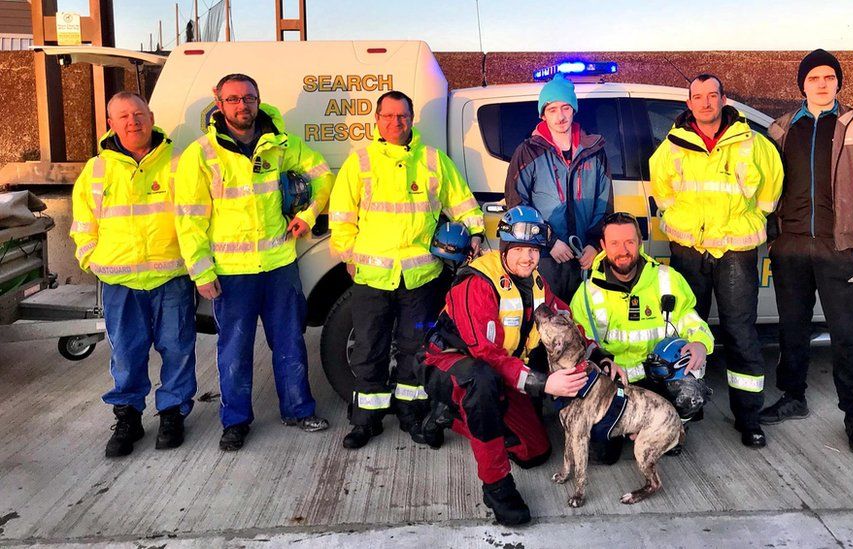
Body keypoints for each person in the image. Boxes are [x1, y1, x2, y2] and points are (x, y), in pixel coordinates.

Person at [422, 206, 625, 526]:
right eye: (519, 250)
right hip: (451, 366)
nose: (527, 258)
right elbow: (485, 354)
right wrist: (543, 384)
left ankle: (454, 418)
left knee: (535, 453)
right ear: (504, 247)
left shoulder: (536, 281)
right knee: (482, 381)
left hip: (506, 369)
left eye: (533, 251)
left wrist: (598, 356)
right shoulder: (476, 283)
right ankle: (496, 485)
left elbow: (565, 322)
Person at [174, 73, 334, 451]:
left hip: (279, 265)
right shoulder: (201, 154)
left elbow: (323, 176)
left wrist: (308, 215)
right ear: (218, 101)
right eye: (232, 99)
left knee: (290, 343)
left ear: (258, 100)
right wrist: (201, 271)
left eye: (248, 98)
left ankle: (297, 409)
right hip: (232, 274)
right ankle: (235, 422)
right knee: (234, 350)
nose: (241, 105)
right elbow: (189, 218)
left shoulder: (280, 145)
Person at [329, 90, 486, 449]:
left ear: (412, 119)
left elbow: (461, 201)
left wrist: (474, 231)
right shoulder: (362, 161)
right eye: (387, 116)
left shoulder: (433, 160)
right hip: (372, 277)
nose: (394, 123)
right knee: (369, 348)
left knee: (416, 349)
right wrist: (349, 257)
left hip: (420, 276)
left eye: (401, 116)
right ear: (377, 121)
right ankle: (365, 421)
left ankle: (411, 416)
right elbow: (342, 215)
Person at [760, 49, 853, 456]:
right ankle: (793, 396)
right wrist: (773, 240)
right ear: (801, 84)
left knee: (848, 335)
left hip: (841, 250)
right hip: (792, 248)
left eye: (829, 77)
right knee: (792, 329)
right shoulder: (780, 130)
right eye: (813, 77)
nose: (821, 83)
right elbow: (763, 190)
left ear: (838, 82)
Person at [649, 74, 783, 448]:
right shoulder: (671, 147)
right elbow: (662, 194)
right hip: (689, 251)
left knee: (741, 334)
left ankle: (749, 419)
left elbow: (769, 195)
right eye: (698, 97)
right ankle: (681, 418)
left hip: (736, 253)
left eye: (712, 96)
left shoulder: (754, 144)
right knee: (683, 334)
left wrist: (748, 224)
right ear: (688, 103)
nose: (705, 103)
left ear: (724, 99)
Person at [70, 91, 196, 458]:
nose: (133, 121)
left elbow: (194, 215)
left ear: (152, 116)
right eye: (123, 116)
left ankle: (173, 412)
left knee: (177, 348)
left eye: (138, 114)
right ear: (110, 123)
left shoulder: (177, 163)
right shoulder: (96, 169)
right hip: (119, 281)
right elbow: (82, 224)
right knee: (126, 352)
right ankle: (128, 417)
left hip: (170, 276)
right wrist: (90, 259)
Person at [569, 212, 714, 461]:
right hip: (615, 385)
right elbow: (580, 348)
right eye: (614, 243)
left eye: (629, 242)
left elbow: (690, 319)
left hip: (656, 378)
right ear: (603, 246)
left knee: (691, 390)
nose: (622, 250)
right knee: (604, 457)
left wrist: (700, 342)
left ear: (640, 242)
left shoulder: (667, 279)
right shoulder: (587, 293)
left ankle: (669, 431)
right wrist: (602, 363)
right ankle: (633, 426)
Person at [504, 73, 614, 303]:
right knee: (547, 321)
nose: (560, 116)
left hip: (584, 255)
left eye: (565, 107)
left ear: (574, 110)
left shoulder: (594, 150)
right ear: (543, 114)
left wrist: (594, 245)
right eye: (552, 109)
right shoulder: (528, 152)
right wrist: (550, 241)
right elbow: (517, 204)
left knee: (583, 320)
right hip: (545, 257)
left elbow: (605, 203)